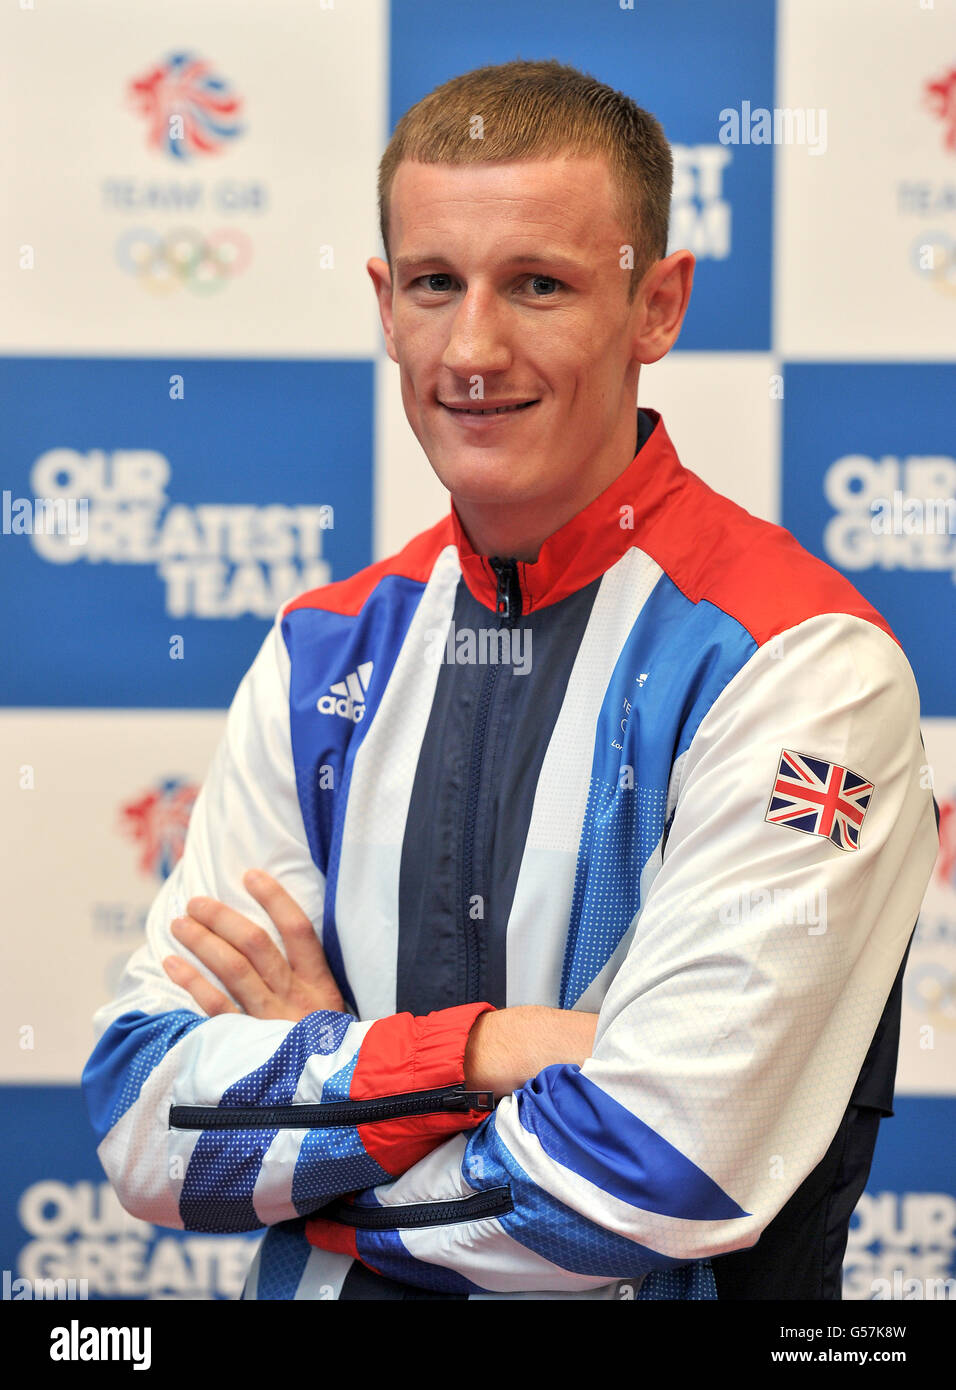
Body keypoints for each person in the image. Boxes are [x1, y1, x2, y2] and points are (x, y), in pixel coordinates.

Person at [82, 59, 939, 1301]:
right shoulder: (324, 647)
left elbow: (654, 1172)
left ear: (657, 307)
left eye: (538, 284)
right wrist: (485, 1052)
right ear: (385, 305)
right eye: (435, 283)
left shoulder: (800, 662)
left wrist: (326, 1121)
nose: (473, 347)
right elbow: (141, 1121)